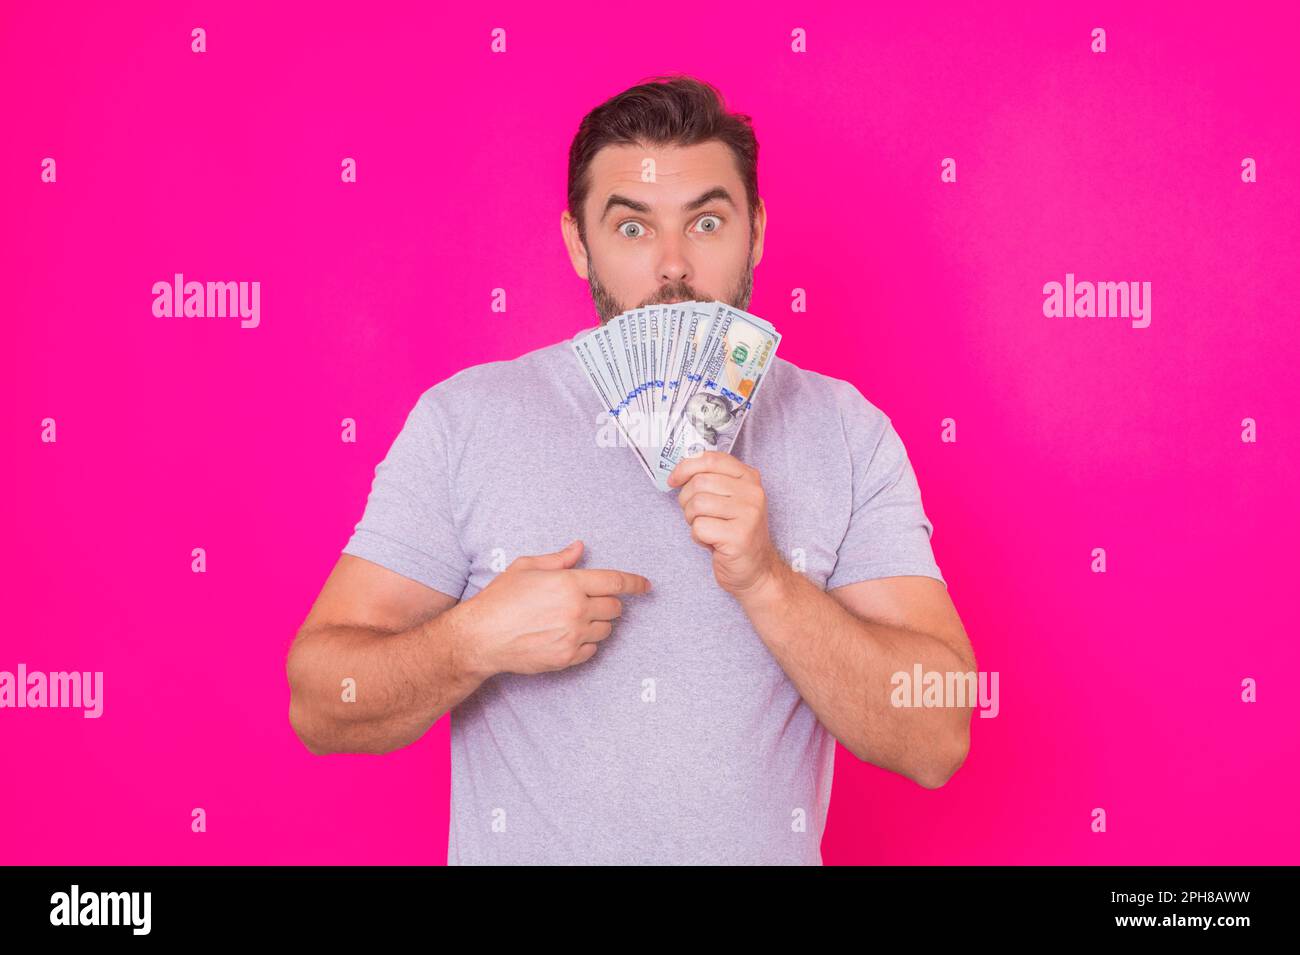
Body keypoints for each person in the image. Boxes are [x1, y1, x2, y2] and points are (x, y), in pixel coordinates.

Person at [286, 74, 976, 865]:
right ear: (579, 242)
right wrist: (471, 639)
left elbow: (938, 732)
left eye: (707, 222)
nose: (673, 266)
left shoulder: (848, 433)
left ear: (754, 230)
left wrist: (767, 581)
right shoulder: (464, 420)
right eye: (633, 228)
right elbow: (318, 699)